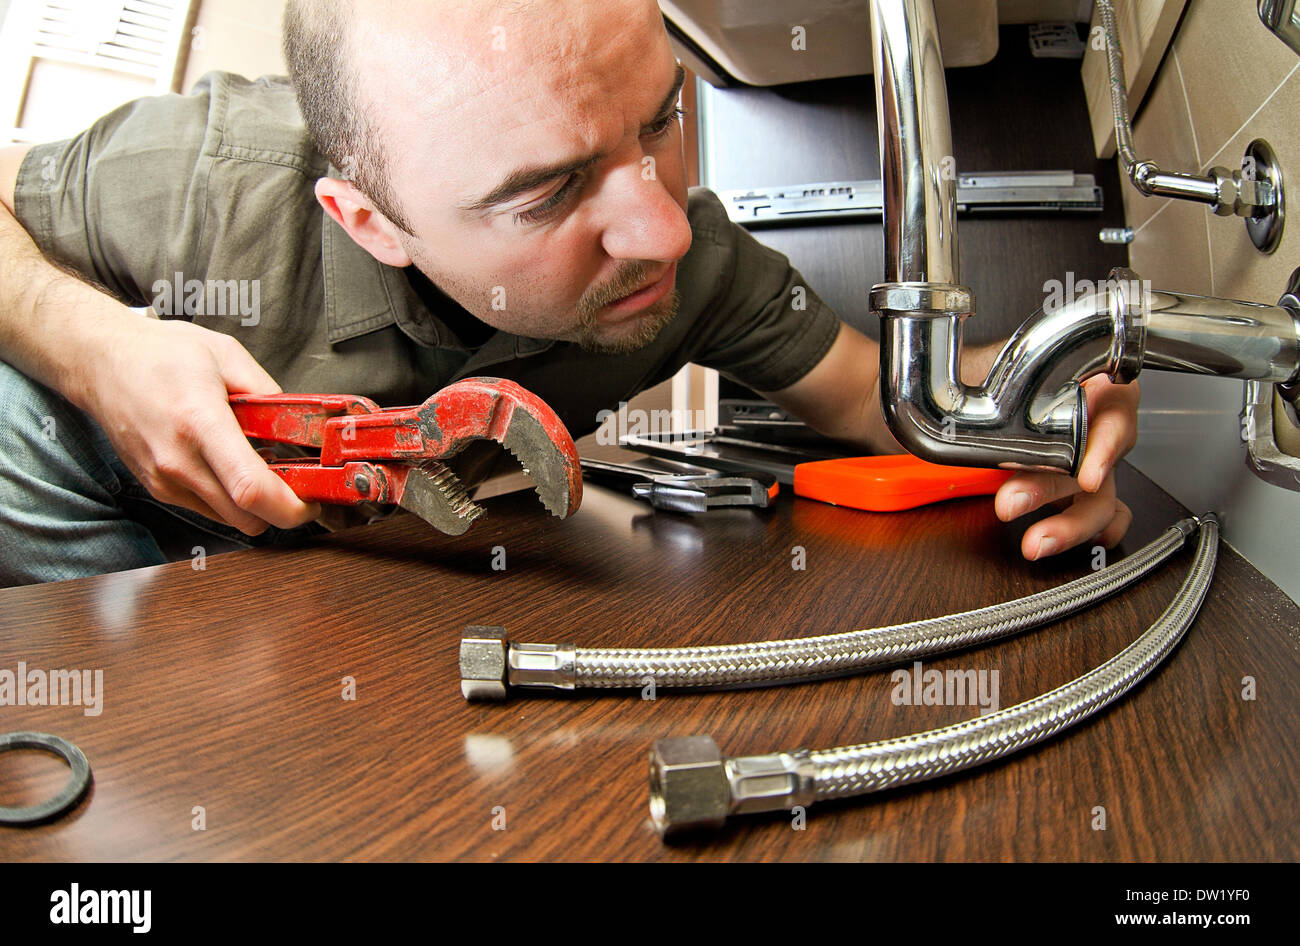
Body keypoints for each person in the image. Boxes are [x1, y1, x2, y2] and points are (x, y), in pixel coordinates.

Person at [0, 0, 1137, 587]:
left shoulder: (690, 261)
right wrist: (92, 348)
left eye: (658, 121)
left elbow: (875, 394)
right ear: (373, 223)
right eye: (546, 191)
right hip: (78, 493)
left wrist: (1051, 390)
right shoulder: (200, 177)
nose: (659, 228)